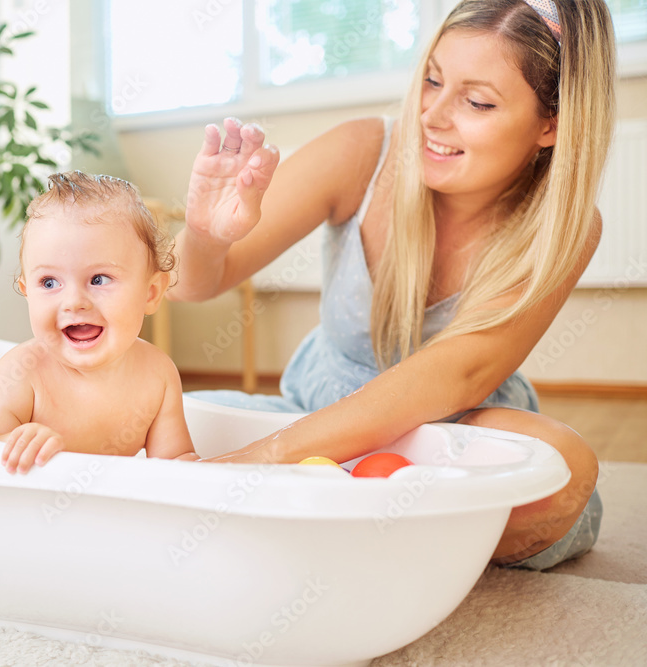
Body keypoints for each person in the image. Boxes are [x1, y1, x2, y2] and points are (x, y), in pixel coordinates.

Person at [168, 0, 615, 570]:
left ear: (551, 123)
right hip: (313, 417)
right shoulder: (361, 152)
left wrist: (261, 459)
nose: (432, 114)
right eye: (432, 81)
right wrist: (206, 236)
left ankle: (325, 514)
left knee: (565, 464)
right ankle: (379, 530)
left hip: (449, 436)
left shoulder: (564, 225)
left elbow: (460, 374)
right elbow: (192, 284)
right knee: (152, 420)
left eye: (477, 101)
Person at [0, 171, 198, 473]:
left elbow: (175, 466)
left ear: (151, 293)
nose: (74, 301)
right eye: (49, 283)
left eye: (98, 279)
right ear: (27, 293)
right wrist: (14, 443)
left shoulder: (158, 374)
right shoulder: (21, 373)